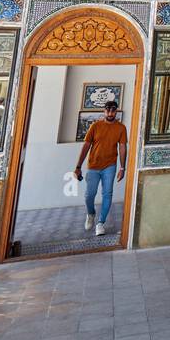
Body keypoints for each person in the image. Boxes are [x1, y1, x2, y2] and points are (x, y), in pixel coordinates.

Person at [73, 99, 126, 237]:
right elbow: (86, 146)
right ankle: (91, 214)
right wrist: (78, 166)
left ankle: (100, 223)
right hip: (93, 166)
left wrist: (122, 168)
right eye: (107, 110)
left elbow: (122, 147)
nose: (110, 112)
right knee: (89, 195)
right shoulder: (95, 126)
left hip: (110, 166)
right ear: (104, 111)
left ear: (116, 111)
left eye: (113, 110)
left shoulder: (121, 128)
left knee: (107, 194)